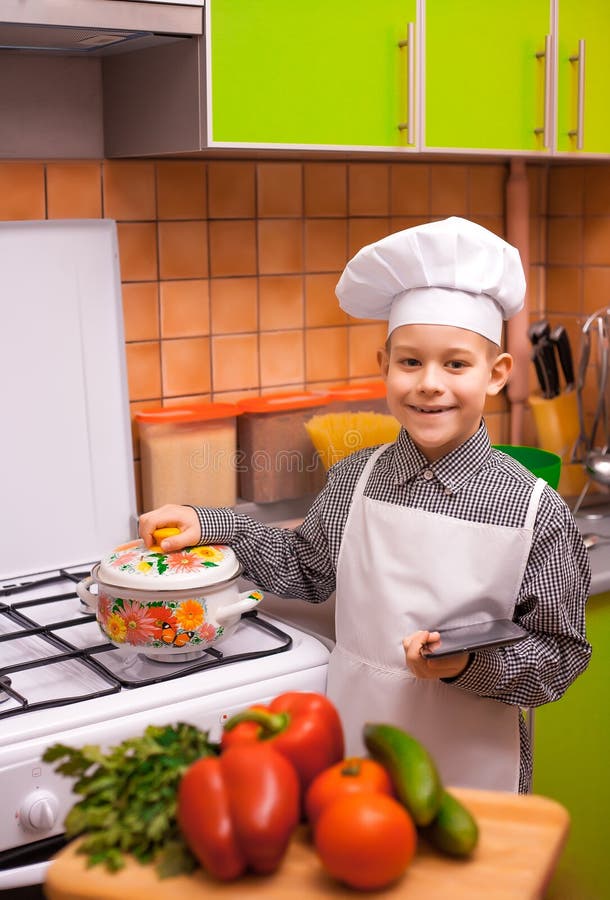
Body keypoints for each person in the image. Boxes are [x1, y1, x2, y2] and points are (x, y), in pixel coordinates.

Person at [139, 216, 591, 794]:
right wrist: (210, 523)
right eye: (410, 362)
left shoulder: (536, 511)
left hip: (475, 766)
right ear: (384, 366)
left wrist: (468, 665)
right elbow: (304, 566)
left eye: (456, 364)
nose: (430, 383)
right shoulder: (356, 478)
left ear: (497, 374)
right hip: (357, 751)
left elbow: (560, 656)